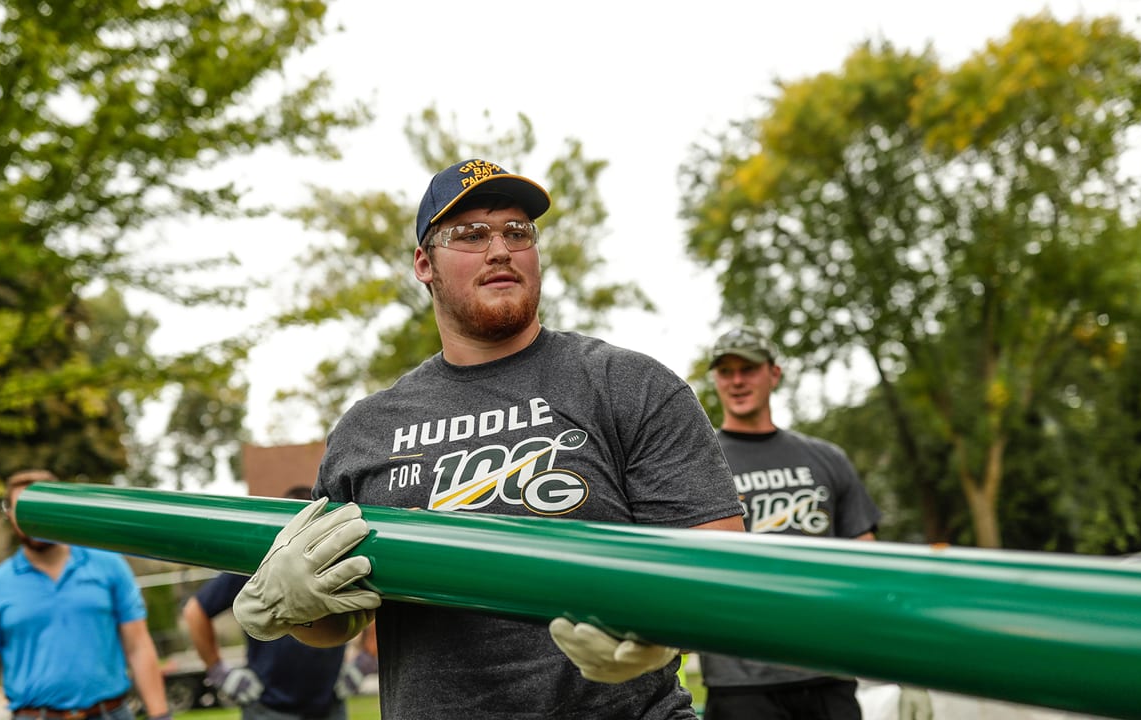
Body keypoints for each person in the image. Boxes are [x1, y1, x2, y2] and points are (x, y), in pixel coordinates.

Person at [232, 158, 746, 719]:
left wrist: (661, 630)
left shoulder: (629, 385)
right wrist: (302, 612)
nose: (500, 249)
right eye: (471, 235)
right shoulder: (366, 431)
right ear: (424, 265)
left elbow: (725, 567)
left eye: (517, 232)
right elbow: (339, 616)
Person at [698, 326, 882, 720]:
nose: (737, 381)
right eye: (726, 371)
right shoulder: (696, 463)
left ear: (774, 374)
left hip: (827, 671)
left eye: (748, 368)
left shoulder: (827, 458)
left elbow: (868, 566)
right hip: (740, 683)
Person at [0, 469, 171, 720]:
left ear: (59, 509)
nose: (33, 519)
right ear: (10, 515)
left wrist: (160, 715)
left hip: (110, 713)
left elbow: (138, 646)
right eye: (23, 509)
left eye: (41, 508)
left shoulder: (109, 566)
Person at [181, 486, 349, 720]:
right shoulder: (257, 563)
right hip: (267, 709)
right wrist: (220, 673)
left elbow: (377, 602)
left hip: (328, 705)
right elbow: (195, 612)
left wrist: (364, 660)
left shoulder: (335, 560)